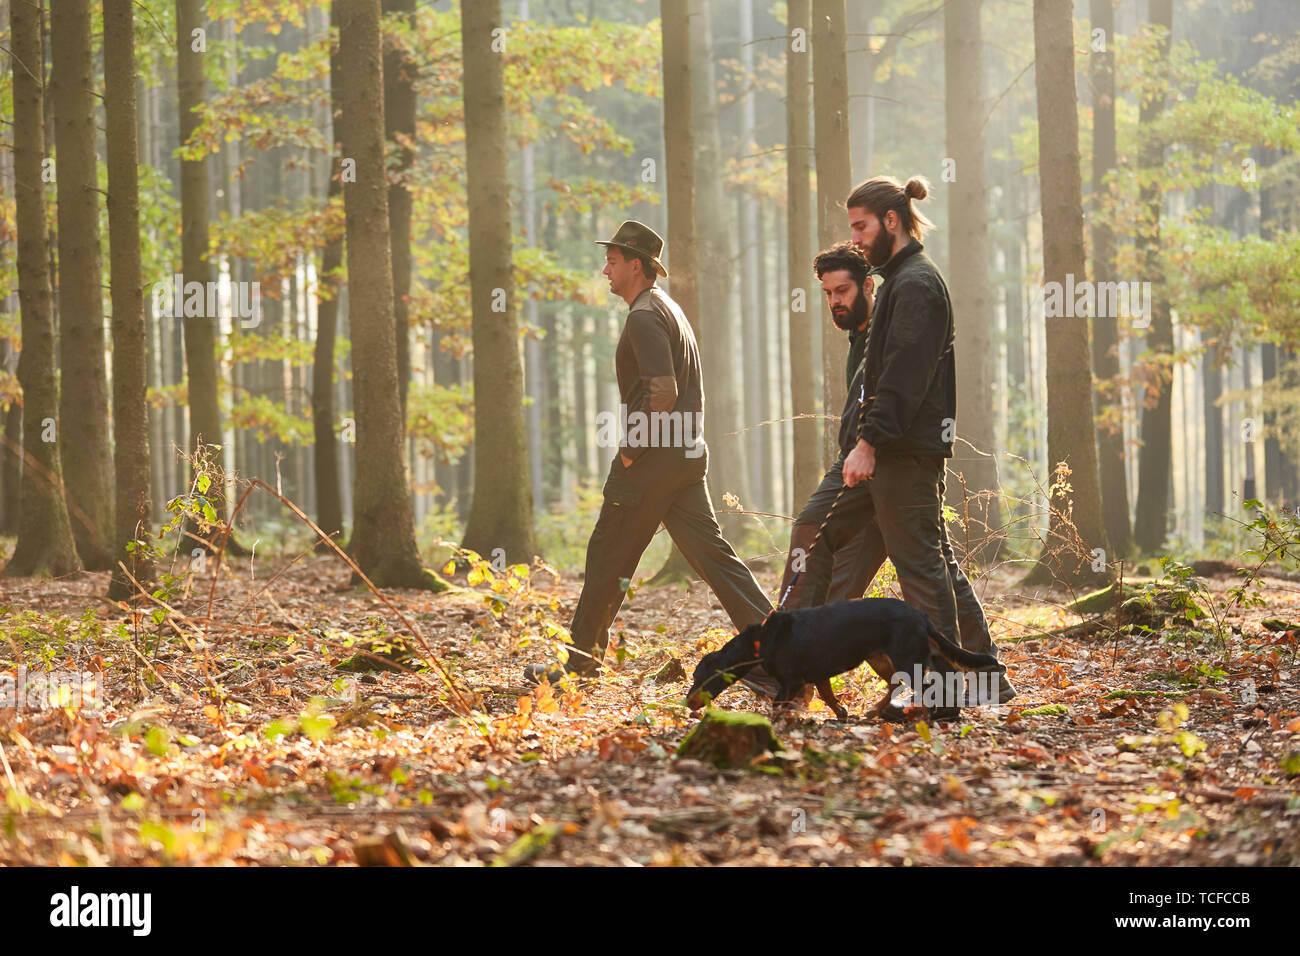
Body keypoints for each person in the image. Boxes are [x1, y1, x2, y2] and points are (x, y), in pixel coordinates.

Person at [777, 179, 1015, 705]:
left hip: (902, 452)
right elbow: (877, 372)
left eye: (861, 226)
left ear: (891, 220)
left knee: (924, 568)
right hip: (879, 450)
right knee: (815, 531)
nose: (856, 239)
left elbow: (903, 378)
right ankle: (790, 670)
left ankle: (948, 693)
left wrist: (870, 442)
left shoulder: (917, 286)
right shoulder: (899, 281)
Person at [525, 221, 775, 687]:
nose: (605, 270)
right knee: (715, 559)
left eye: (613, 262)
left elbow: (662, 392)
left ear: (635, 266)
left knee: (606, 554)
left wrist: (630, 451)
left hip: (653, 460)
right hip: (682, 455)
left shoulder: (643, 315)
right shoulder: (666, 307)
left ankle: (579, 664)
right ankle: (782, 649)